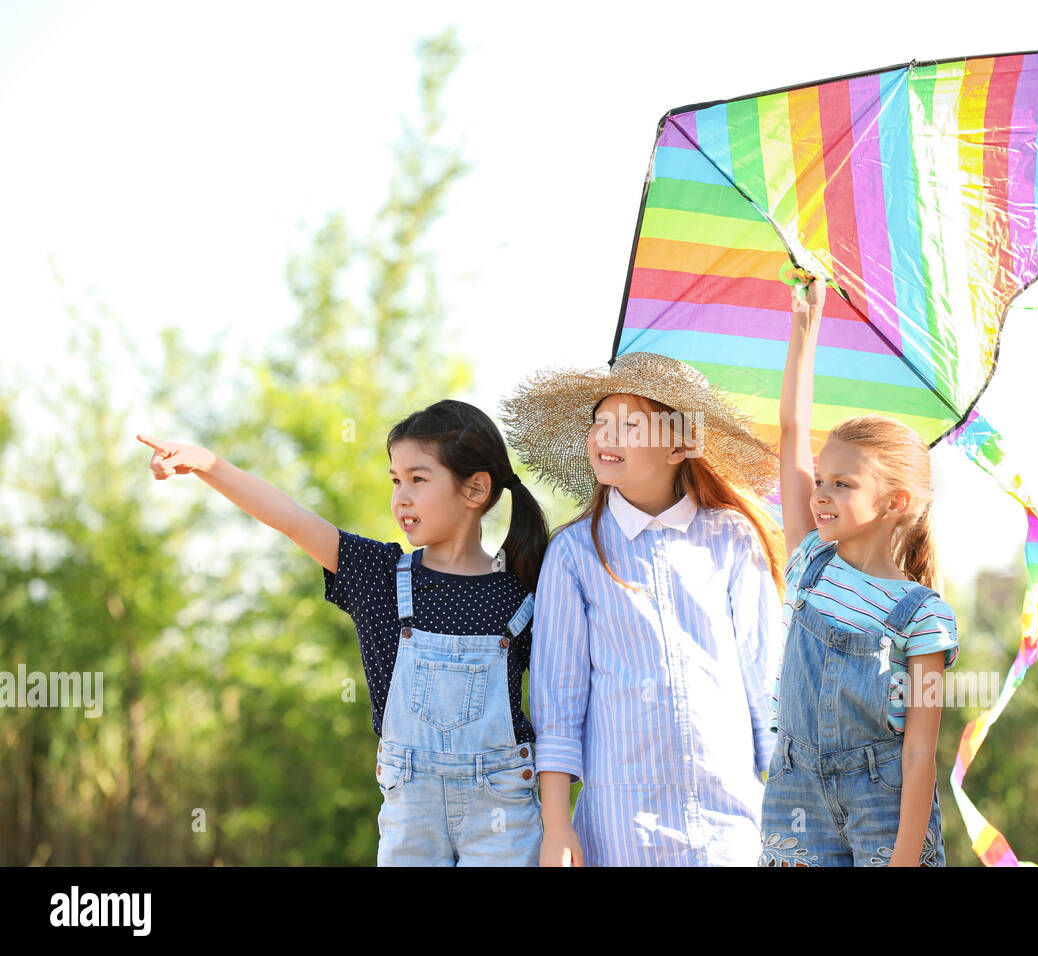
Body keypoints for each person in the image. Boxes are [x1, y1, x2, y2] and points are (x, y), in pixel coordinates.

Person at [137, 399, 551, 866]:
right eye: (395, 481)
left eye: (418, 478)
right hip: (410, 821)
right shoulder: (377, 576)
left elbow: (561, 714)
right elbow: (291, 517)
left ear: (476, 489)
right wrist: (207, 464)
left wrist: (558, 828)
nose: (401, 497)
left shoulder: (524, 592)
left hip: (503, 816)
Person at [501, 351, 785, 866]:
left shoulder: (731, 538)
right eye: (600, 422)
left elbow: (766, 681)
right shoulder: (573, 554)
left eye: (629, 423)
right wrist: (557, 826)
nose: (606, 435)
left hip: (728, 823)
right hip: (620, 826)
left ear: (679, 443)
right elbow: (557, 705)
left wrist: (789, 807)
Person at [757, 276, 957, 867]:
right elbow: (792, 433)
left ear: (895, 502)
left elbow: (921, 753)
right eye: (820, 481)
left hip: (885, 803)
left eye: (842, 485)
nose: (820, 494)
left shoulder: (924, 615)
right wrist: (804, 327)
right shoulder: (809, 562)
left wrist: (902, 859)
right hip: (793, 788)